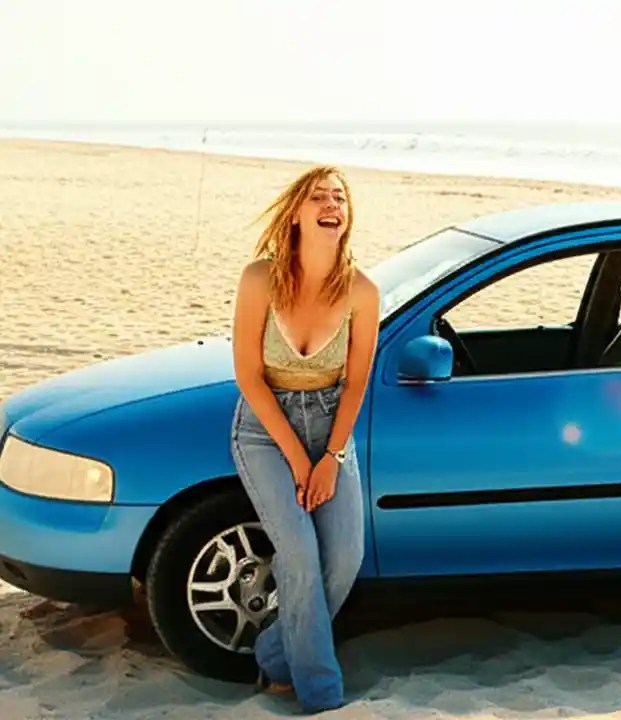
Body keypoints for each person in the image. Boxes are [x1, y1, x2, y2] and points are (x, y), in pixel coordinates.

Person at [229, 165, 379, 712]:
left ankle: (273, 655)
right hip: (266, 431)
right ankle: (322, 696)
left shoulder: (362, 291)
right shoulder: (259, 279)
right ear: (296, 212)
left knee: (343, 559)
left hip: (332, 428)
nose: (330, 202)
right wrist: (298, 459)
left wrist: (331, 457)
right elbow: (249, 374)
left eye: (339, 195)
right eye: (318, 194)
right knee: (297, 554)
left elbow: (358, 380)